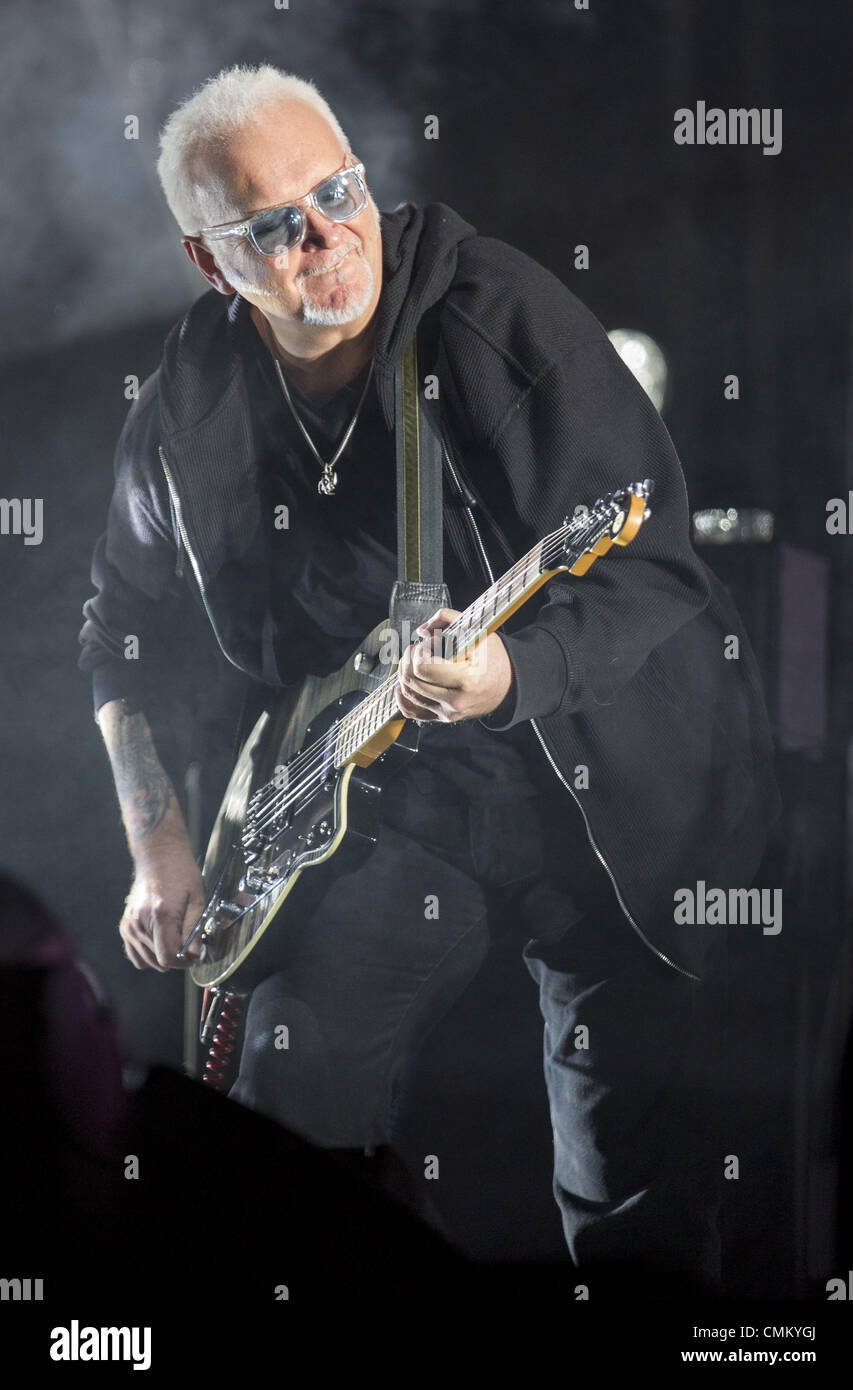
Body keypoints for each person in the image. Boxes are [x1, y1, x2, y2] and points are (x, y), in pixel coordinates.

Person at [78, 63, 780, 1294]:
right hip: (392, 796)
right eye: (272, 226)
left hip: (607, 784)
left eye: (337, 191)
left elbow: (655, 565)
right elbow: (117, 624)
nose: (324, 238)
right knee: (286, 1103)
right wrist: (159, 843)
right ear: (211, 263)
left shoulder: (496, 318)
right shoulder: (190, 399)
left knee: (625, 1188)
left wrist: (518, 666)